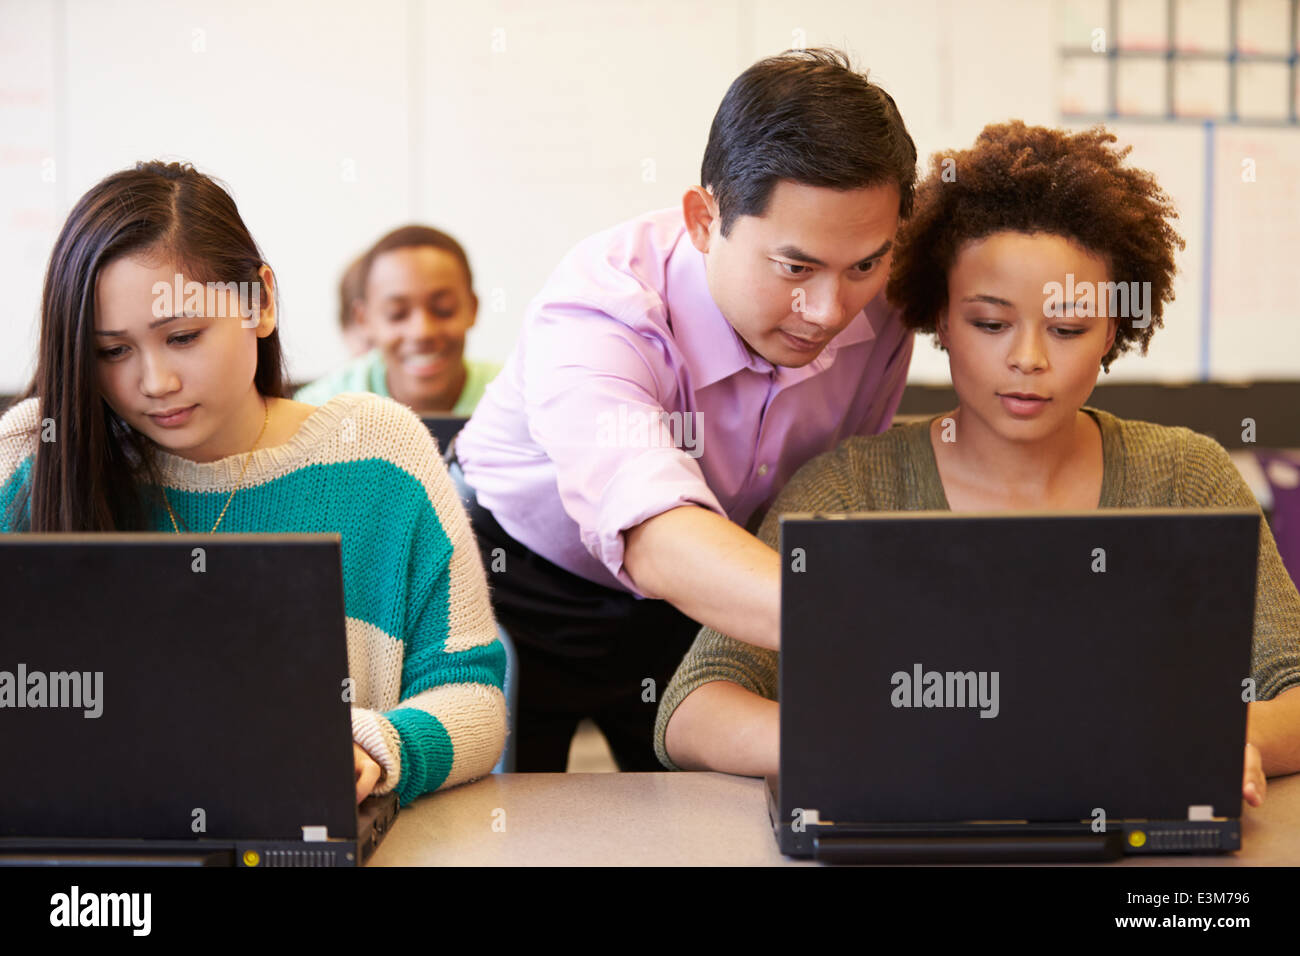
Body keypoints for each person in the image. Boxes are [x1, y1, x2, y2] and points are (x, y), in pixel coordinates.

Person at [654, 121, 1300, 807]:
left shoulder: (1185, 477)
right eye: (990, 324)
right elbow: (692, 709)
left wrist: (1203, 733)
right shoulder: (849, 489)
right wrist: (864, 741)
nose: (1028, 359)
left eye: (1069, 328)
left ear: (1115, 327)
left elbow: (1290, 680)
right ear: (939, 317)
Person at [451, 47, 918, 770]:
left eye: (863, 265)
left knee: (705, 826)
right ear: (705, 219)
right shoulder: (598, 306)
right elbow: (654, 533)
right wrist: (900, 628)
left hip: (718, 595)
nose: (829, 311)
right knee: (502, 831)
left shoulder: (891, 297)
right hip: (519, 586)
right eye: (795, 267)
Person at [0, 161, 506, 806]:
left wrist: (378, 748)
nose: (154, 382)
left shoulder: (379, 454)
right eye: (112, 352)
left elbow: (474, 699)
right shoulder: (33, 453)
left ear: (260, 301)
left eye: (182, 336)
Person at [296, 226, 501, 415]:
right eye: (397, 314)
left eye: (443, 310)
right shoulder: (317, 412)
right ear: (363, 319)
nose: (422, 331)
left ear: (473, 308)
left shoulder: (516, 398)